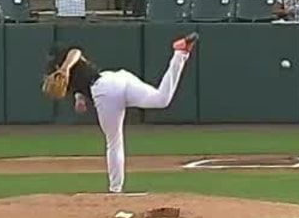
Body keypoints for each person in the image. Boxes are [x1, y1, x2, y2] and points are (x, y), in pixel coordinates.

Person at [43, 33, 198, 194]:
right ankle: (180, 54)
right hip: (118, 79)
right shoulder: (65, 74)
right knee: (161, 99)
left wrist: (65, 68)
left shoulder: (66, 61)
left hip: (104, 90)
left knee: (114, 141)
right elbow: (78, 84)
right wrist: (79, 99)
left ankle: (115, 190)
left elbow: (75, 52)